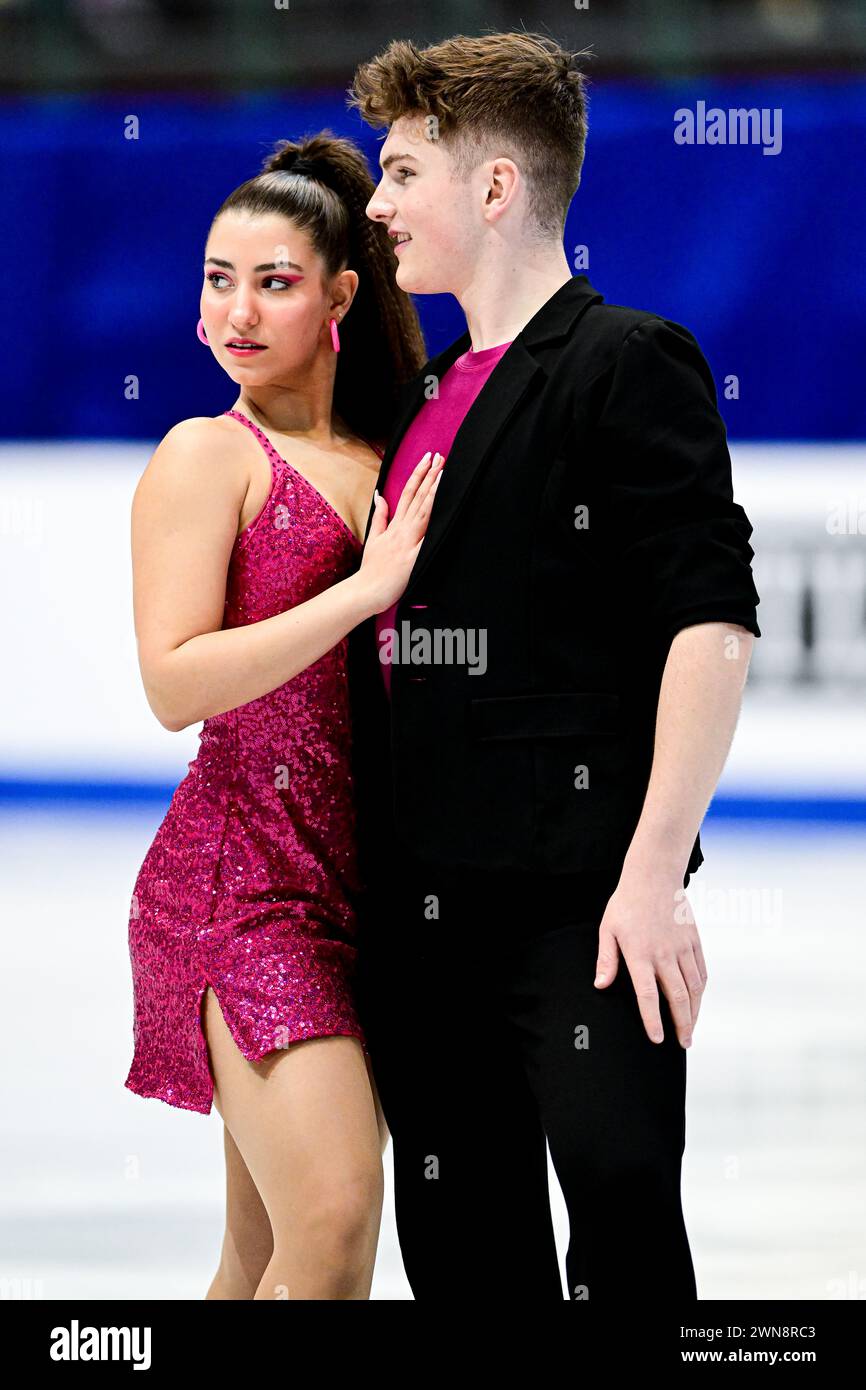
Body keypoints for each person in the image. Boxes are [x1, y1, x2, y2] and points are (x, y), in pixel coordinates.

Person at [345, 32, 762, 1301]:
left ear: (493, 190)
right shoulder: (419, 393)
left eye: (402, 172)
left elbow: (710, 621)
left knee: (622, 1227)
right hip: (424, 921)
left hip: (576, 912)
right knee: (465, 1256)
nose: (377, 205)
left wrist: (649, 873)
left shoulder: (623, 359)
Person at [123, 132, 444, 1300]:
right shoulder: (210, 454)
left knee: (266, 1252)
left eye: (273, 281)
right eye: (217, 278)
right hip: (239, 885)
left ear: (342, 293)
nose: (237, 311)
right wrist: (362, 590)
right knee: (336, 1215)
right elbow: (173, 682)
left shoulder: (383, 455)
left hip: (360, 884)